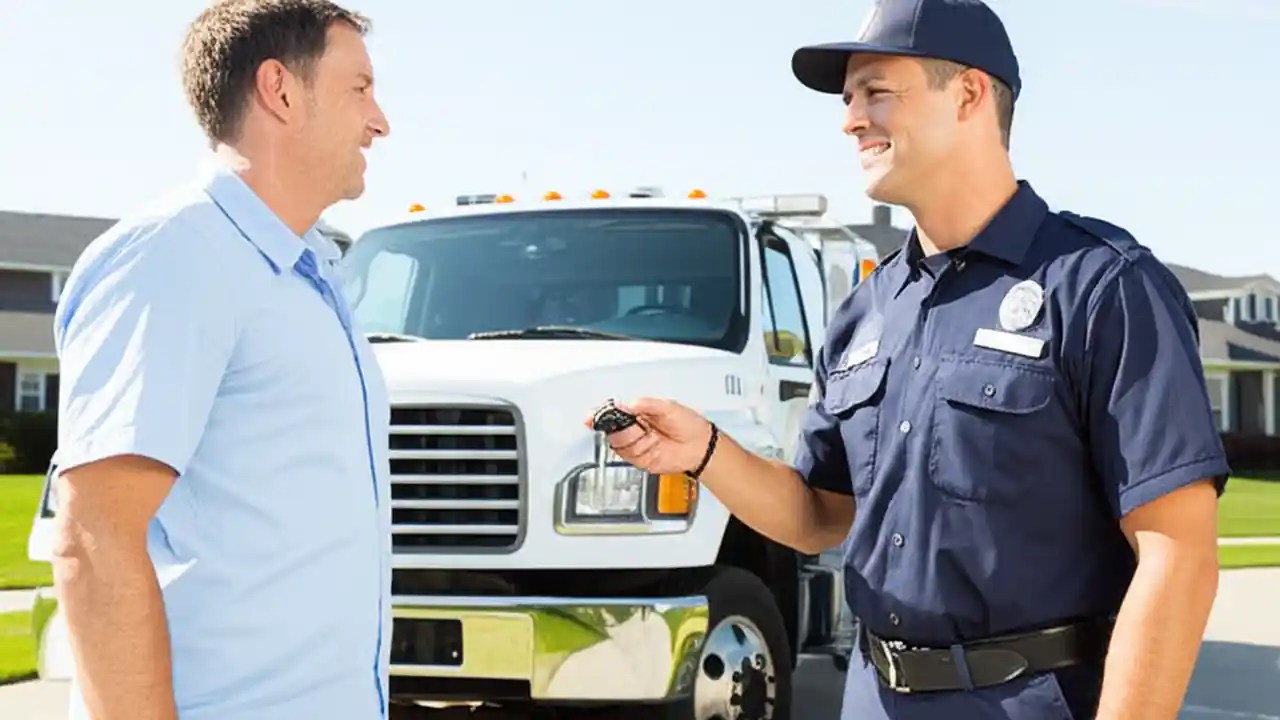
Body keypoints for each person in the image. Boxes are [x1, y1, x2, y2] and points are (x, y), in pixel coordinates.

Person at [594, 0, 1228, 718]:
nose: (850, 120)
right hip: (874, 697)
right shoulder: (868, 311)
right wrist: (705, 451)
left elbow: (1179, 558)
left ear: (968, 94)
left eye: (877, 93)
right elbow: (819, 516)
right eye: (847, 100)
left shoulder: (1101, 284)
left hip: (1031, 699)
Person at [50, 1, 392, 718]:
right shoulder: (174, 255)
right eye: (359, 89)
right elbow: (94, 538)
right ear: (281, 90)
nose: (380, 120)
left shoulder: (314, 273)